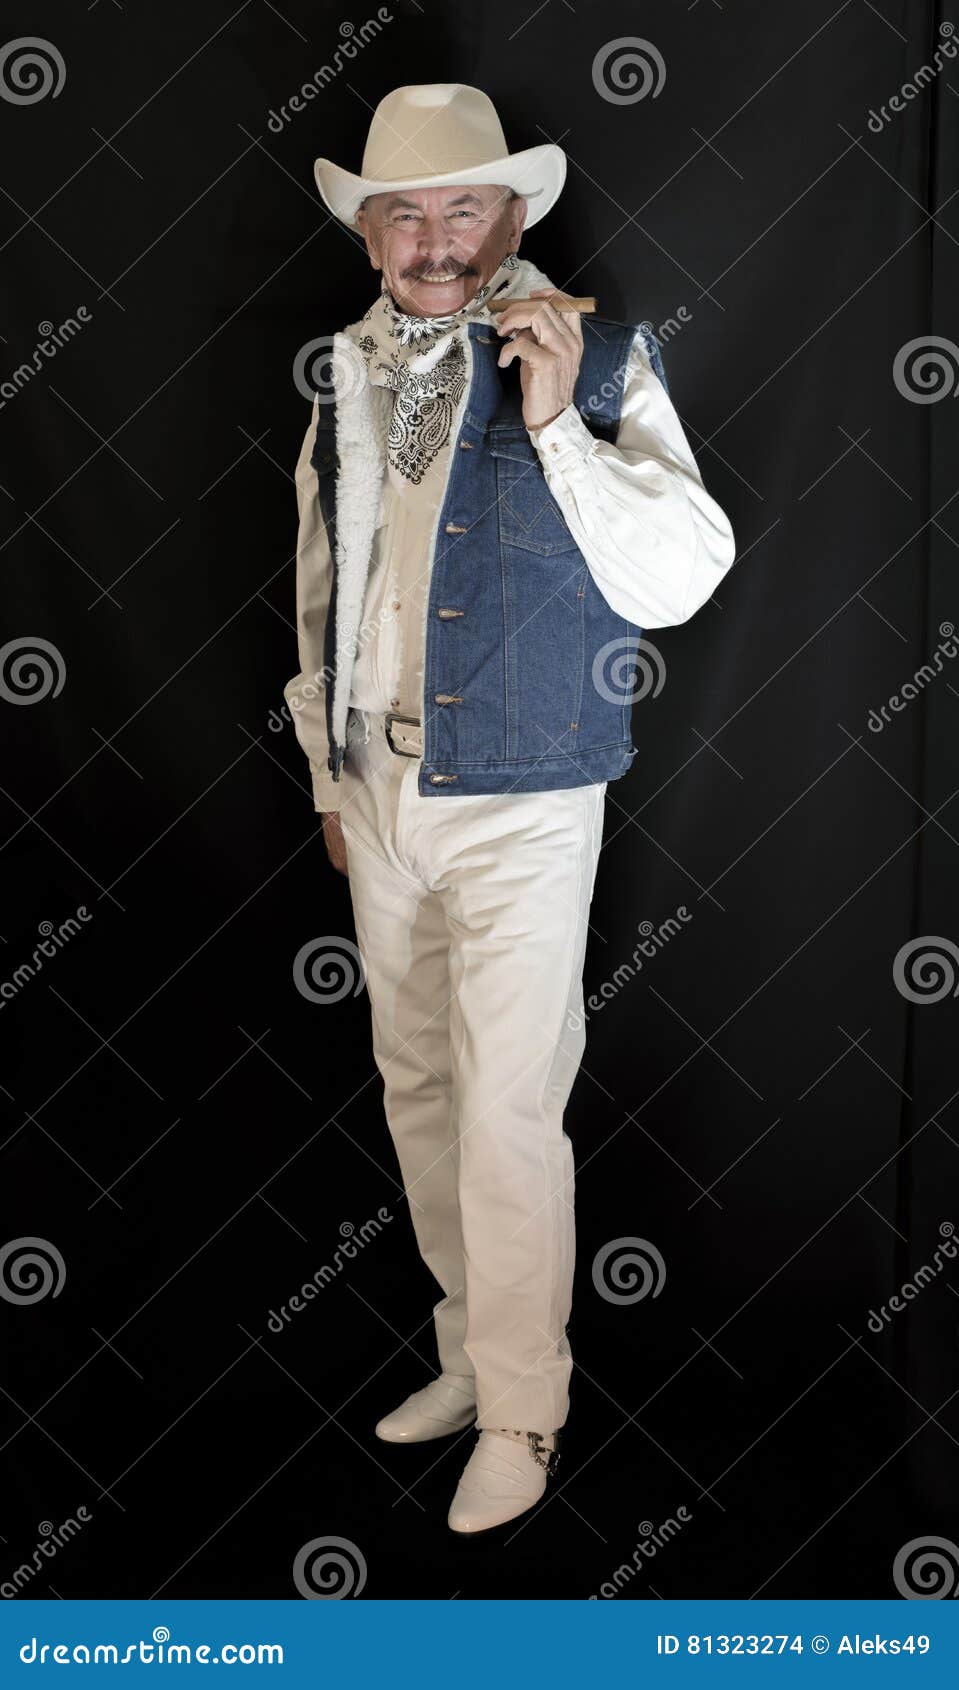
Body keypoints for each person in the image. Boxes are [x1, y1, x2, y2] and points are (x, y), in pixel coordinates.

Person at [284, 83, 736, 1533]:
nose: (433, 238)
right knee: (417, 1085)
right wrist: (327, 774)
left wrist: (555, 427)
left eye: (461, 206)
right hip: (379, 783)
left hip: (528, 795)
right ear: (370, 240)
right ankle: (471, 1356)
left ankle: (529, 1412)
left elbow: (680, 578)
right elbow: (320, 583)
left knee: (505, 1107)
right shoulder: (346, 369)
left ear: (515, 216)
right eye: (403, 212)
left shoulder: (599, 358)